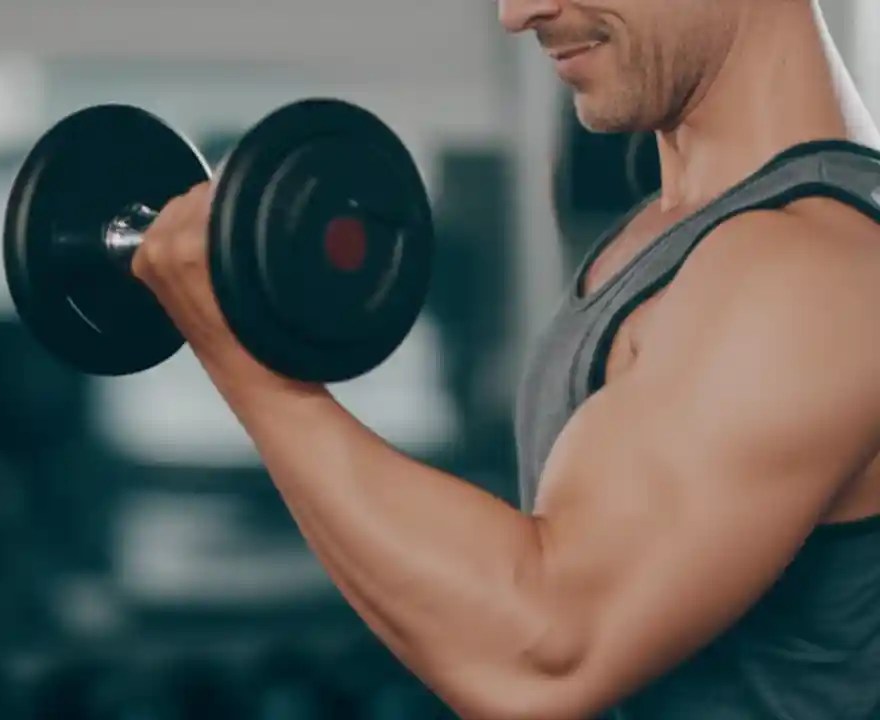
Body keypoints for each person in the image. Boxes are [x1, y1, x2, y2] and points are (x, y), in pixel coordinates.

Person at [130, 1, 880, 717]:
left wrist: (247, 367)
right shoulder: (670, 233)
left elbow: (545, 653)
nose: (516, 12)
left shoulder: (809, 268)